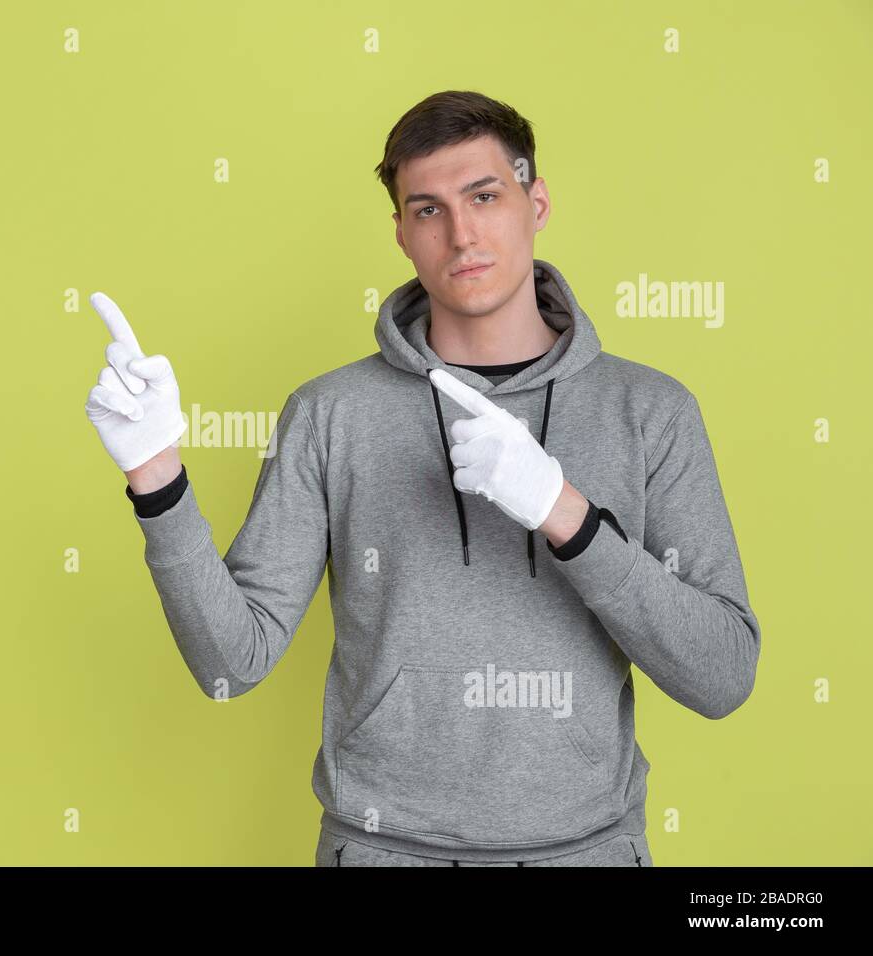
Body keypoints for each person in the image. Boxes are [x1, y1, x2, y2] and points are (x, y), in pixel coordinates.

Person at [83, 90, 761, 866]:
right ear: (402, 233)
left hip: (589, 853)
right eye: (428, 209)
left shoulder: (650, 411)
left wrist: (563, 512)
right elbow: (231, 665)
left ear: (535, 202)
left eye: (485, 196)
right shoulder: (332, 413)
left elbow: (723, 676)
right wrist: (156, 476)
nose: (463, 234)